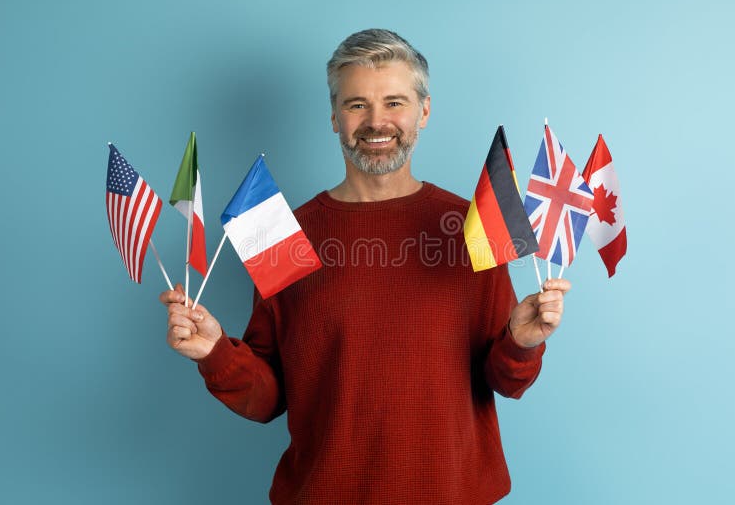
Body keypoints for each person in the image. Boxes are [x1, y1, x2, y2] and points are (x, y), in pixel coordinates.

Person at [160, 29, 571, 504]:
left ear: (424, 112)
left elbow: (504, 381)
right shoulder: (277, 234)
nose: (377, 122)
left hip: (454, 493)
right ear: (334, 117)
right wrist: (216, 353)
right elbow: (268, 398)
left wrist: (521, 343)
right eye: (357, 105)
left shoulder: (472, 227)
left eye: (394, 102)